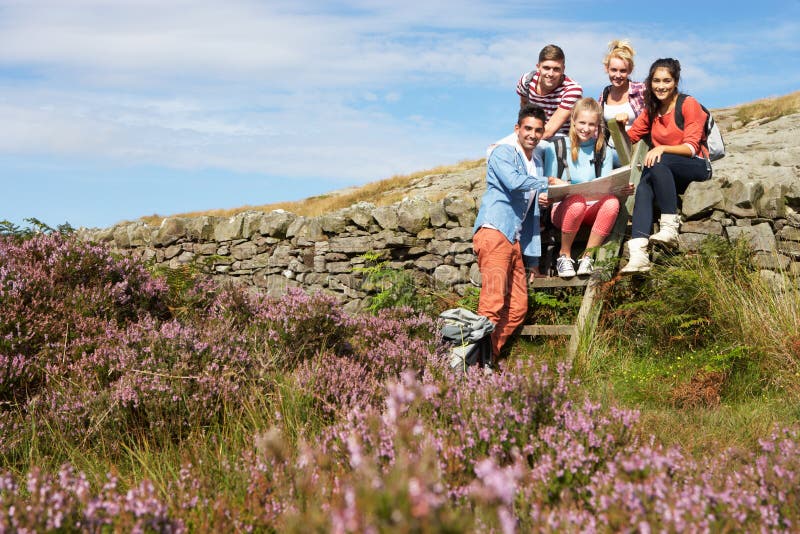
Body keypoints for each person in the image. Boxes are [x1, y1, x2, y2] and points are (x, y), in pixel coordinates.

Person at [620, 58, 712, 274]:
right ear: (650, 83)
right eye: (656, 81)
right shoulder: (651, 110)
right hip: (665, 171)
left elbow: (691, 147)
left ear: (676, 81)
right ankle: (639, 254)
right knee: (644, 185)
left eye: (666, 81)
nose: (661, 86)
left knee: (656, 160)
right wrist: (619, 125)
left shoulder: (688, 104)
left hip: (696, 166)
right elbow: (630, 138)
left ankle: (670, 228)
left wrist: (662, 148)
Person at [473, 104, 548, 365]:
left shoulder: (534, 162)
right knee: (492, 304)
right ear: (517, 129)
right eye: (528, 128)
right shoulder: (503, 152)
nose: (533, 134)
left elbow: (528, 207)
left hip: (513, 239)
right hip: (494, 233)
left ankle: (485, 360)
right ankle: (470, 365)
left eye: (538, 130)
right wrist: (549, 182)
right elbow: (514, 182)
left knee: (517, 307)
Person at [540, 98, 633, 277]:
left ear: (598, 125)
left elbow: (605, 185)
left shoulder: (602, 150)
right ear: (573, 121)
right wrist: (552, 188)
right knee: (576, 203)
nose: (586, 128)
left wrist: (621, 190)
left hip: (592, 207)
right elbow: (546, 183)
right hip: (563, 209)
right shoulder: (556, 148)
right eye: (582, 122)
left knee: (612, 202)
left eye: (592, 124)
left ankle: (588, 257)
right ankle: (564, 255)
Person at [516, 44, 583, 139]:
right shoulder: (526, 82)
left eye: (556, 69)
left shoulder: (572, 90)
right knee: (495, 149)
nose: (550, 74)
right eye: (546, 68)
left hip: (561, 136)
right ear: (538, 67)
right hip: (533, 132)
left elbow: (549, 131)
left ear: (563, 69)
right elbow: (524, 110)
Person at [598, 40, 645, 134]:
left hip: (636, 145)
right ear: (607, 68)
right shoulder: (605, 94)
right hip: (609, 147)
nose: (618, 75)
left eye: (623, 71)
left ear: (630, 70)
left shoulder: (641, 89)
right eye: (614, 70)